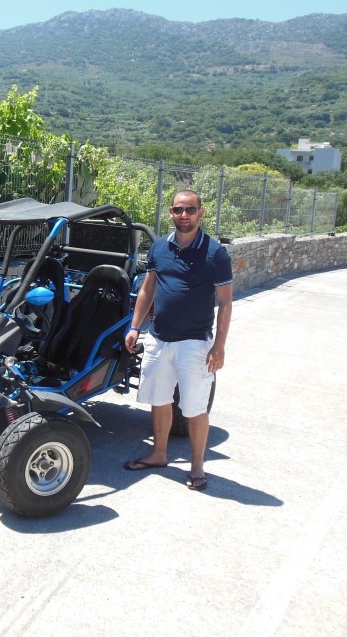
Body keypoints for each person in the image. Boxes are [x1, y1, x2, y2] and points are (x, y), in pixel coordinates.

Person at [122, 189, 232, 490]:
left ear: (201, 212)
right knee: (159, 400)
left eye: (191, 210)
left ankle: (197, 467)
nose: (184, 216)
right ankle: (159, 454)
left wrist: (219, 346)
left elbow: (225, 303)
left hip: (195, 343)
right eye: (179, 210)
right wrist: (134, 327)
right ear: (171, 212)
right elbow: (147, 290)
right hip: (159, 338)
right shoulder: (159, 248)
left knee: (195, 407)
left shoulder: (215, 253)